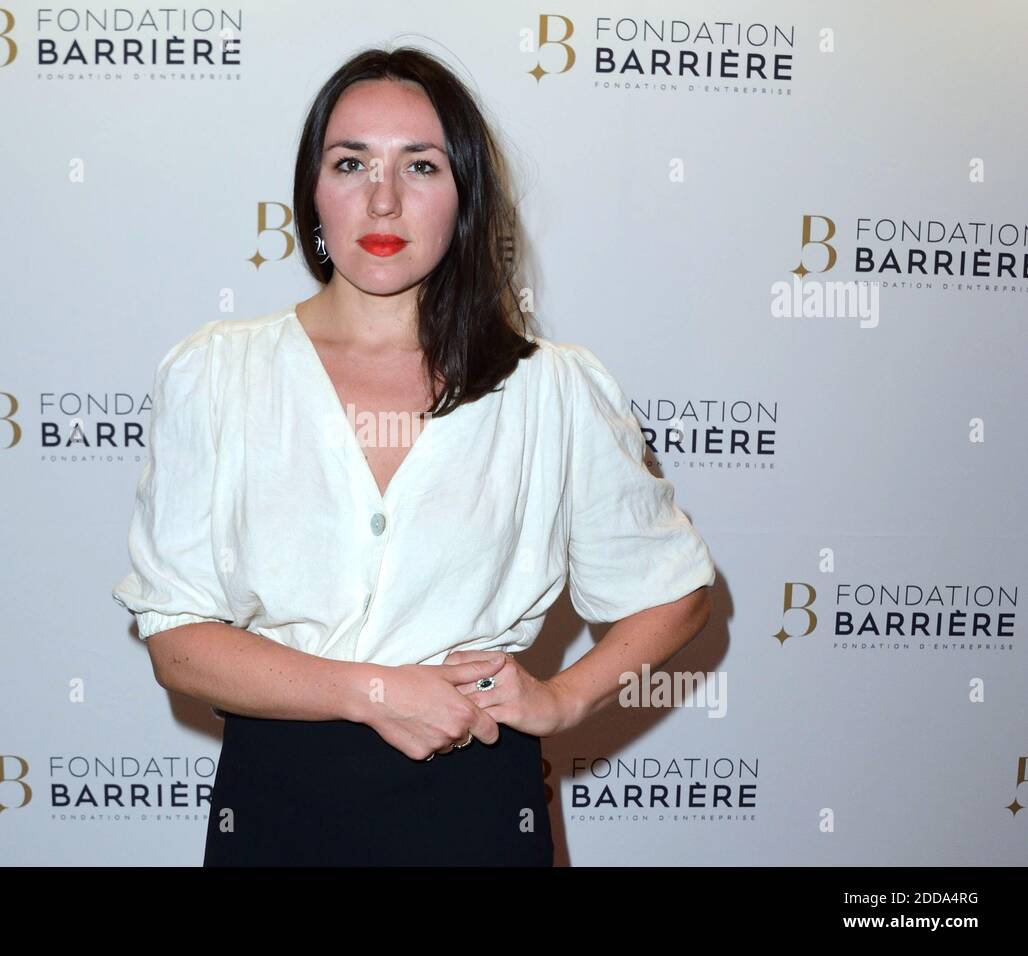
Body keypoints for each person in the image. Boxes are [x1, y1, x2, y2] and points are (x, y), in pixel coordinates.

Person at [111, 46, 716, 867]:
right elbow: (177, 642)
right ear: (312, 191)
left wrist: (565, 702)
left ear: (465, 197)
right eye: (350, 162)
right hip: (275, 804)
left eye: (421, 165)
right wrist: (375, 692)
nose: (383, 198)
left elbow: (673, 590)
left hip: (475, 798)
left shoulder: (551, 387)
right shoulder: (216, 373)